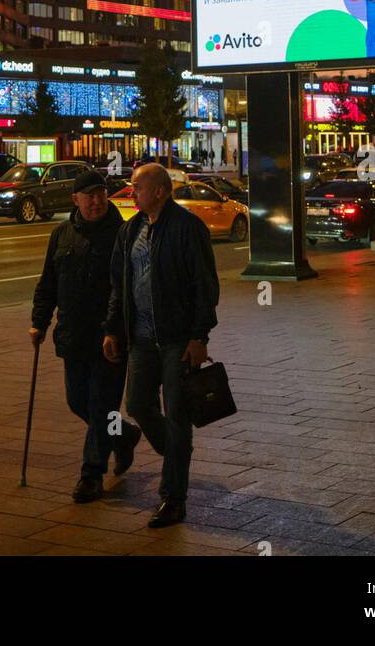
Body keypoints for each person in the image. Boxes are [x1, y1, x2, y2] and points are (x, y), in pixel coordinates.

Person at [104, 163, 219, 529]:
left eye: (137, 186)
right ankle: (174, 451)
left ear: (158, 191)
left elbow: (205, 285)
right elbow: (119, 285)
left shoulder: (187, 228)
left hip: (176, 340)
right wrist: (112, 329)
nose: (131, 191)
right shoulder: (130, 229)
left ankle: (173, 498)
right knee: (137, 403)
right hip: (140, 338)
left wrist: (199, 336)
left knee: (178, 414)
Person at [30, 169, 141, 504]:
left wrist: (113, 329)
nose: (96, 201)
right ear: (75, 199)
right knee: (77, 400)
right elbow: (48, 281)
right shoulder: (61, 234)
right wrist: (39, 321)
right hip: (73, 334)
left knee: (101, 404)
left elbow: (122, 289)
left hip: (110, 338)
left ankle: (91, 474)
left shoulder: (122, 234)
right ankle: (123, 436)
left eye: (101, 194)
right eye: (89, 195)